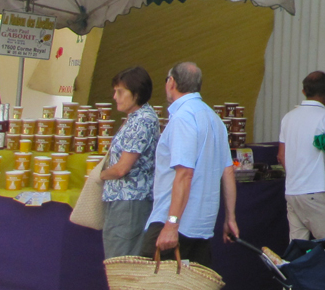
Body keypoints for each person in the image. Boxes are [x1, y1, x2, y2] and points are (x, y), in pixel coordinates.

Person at [140, 62, 239, 267]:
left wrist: (171, 224)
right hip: (202, 224)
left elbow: (185, 173)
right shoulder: (214, 119)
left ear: (171, 82)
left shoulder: (183, 118)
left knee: (150, 276)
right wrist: (230, 217)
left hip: (176, 221)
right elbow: (228, 171)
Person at [99, 66, 160, 258]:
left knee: (121, 260)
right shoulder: (136, 118)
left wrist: (99, 175)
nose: (115, 97)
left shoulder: (142, 120)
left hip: (129, 202)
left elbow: (122, 168)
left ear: (136, 93)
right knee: (119, 258)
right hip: (126, 200)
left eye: (120, 92)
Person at [278, 70, 325, 242]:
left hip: (292, 191)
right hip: (316, 191)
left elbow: (281, 156)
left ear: (304, 91)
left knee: (298, 246)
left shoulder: (288, 117)